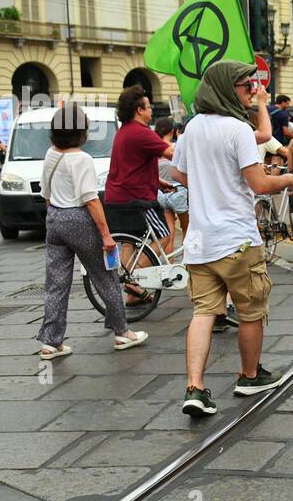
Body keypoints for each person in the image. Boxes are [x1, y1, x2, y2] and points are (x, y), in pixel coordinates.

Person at [169, 61, 293, 417]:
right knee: (251, 310)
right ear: (228, 89)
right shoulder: (237, 130)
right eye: (246, 86)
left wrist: (207, 184)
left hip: (200, 241)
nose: (251, 90)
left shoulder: (192, 126)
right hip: (237, 239)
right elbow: (259, 184)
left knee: (204, 312)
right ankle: (250, 374)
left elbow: (178, 172)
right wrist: (288, 181)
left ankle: (195, 388)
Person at [37, 104, 148, 361]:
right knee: (105, 275)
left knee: (56, 284)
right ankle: (122, 332)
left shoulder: (50, 154)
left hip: (54, 218)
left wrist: (56, 216)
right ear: (81, 131)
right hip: (79, 218)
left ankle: (51, 343)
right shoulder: (82, 159)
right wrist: (107, 236)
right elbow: (91, 200)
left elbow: (46, 194)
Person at [105, 86, 174, 305]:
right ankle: (133, 280)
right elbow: (171, 153)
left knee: (129, 243)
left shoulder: (124, 131)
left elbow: (132, 165)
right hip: (137, 200)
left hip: (117, 197)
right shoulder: (141, 132)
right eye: (148, 107)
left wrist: (158, 182)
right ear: (139, 110)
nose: (151, 110)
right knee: (164, 235)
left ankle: (131, 295)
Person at [154, 118, 188, 255]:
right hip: (178, 192)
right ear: (172, 131)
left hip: (161, 194)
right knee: (186, 228)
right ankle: (187, 263)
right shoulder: (174, 148)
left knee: (169, 234)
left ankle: (170, 265)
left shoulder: (154, 149)